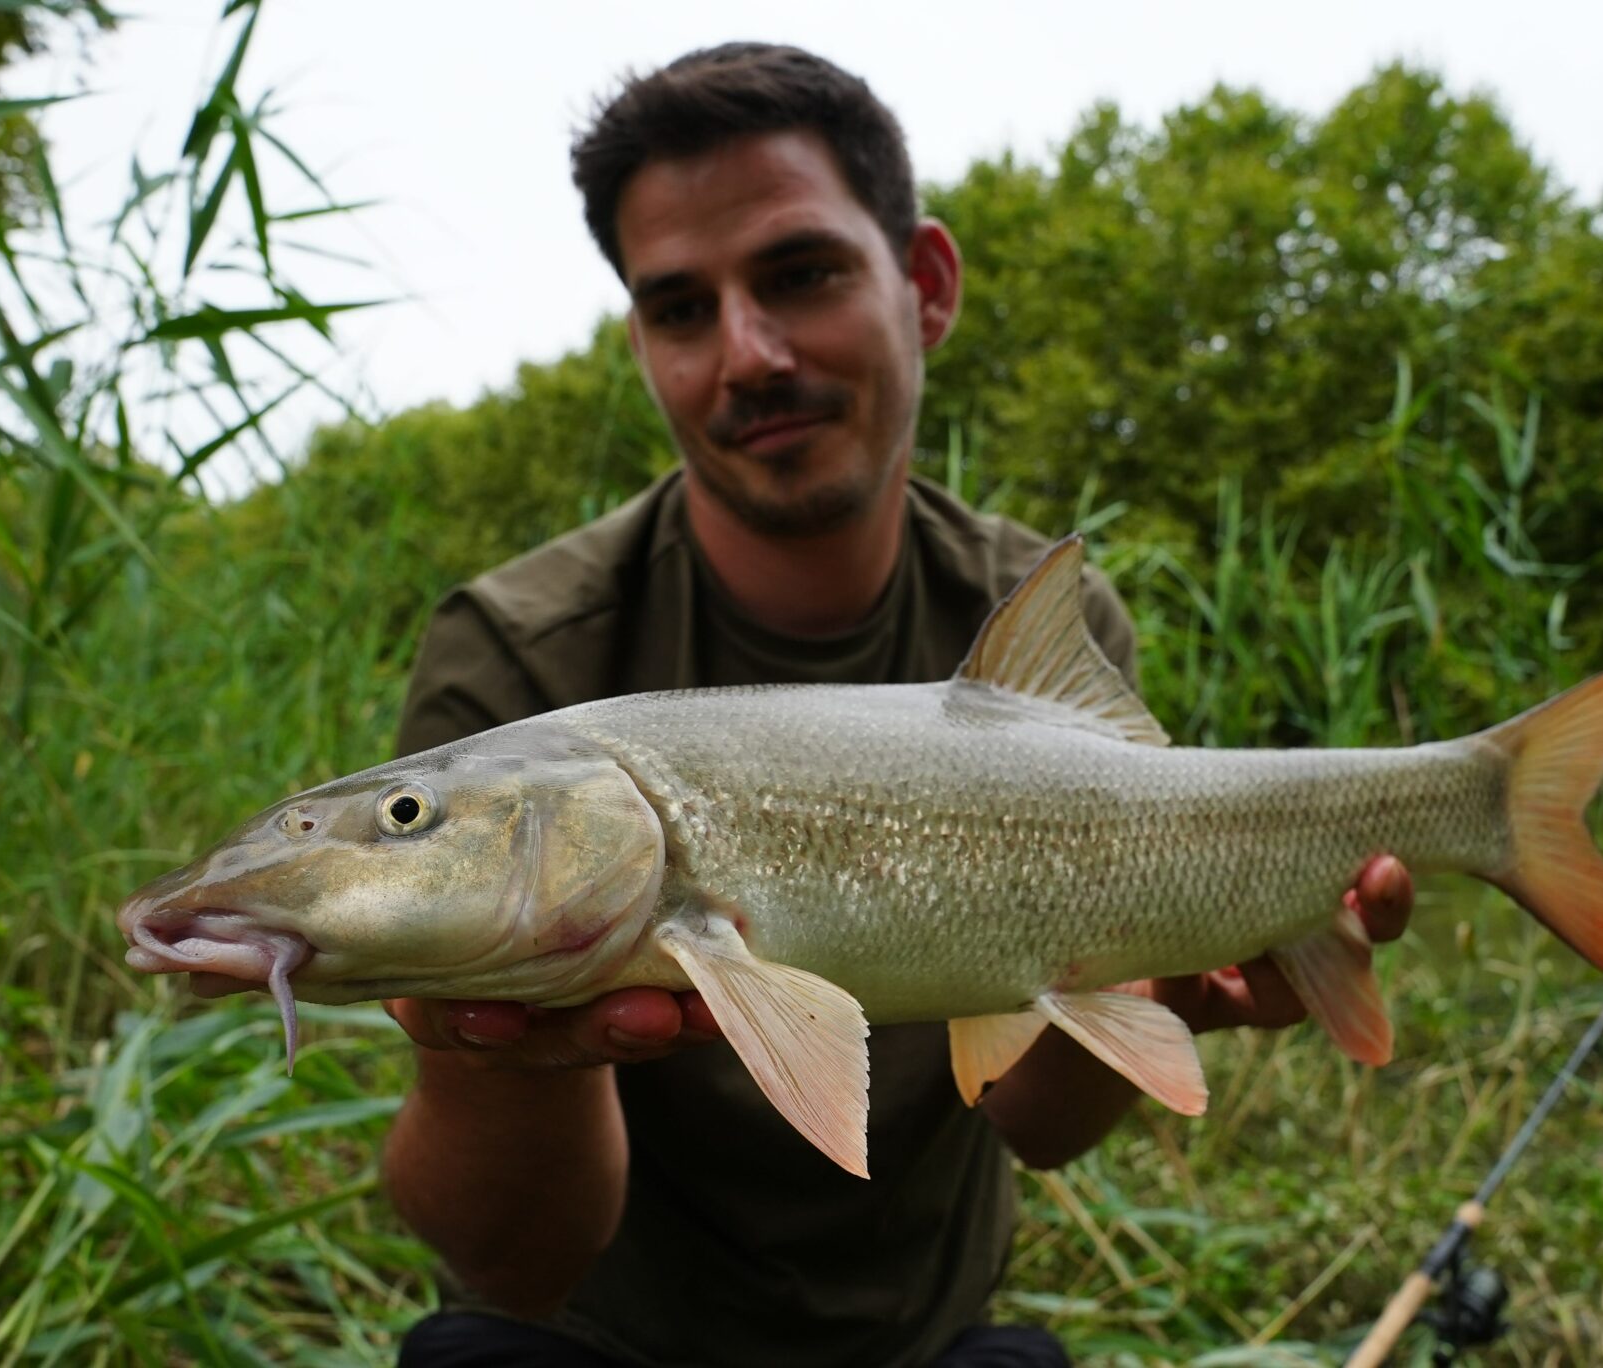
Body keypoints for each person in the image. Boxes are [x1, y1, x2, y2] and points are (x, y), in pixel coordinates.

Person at [380, 42, 1413, 1368]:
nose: (748, 354)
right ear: (641, 343)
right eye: (681, 308)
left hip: (924, 1342)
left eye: (800, 274)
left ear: (925, 286)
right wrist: (495, 1041)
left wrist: (1165, 981)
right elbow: (511, 1260)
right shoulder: (517, 655)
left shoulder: (1033, 617)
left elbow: (1037, 1123)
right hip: (606, 1339)